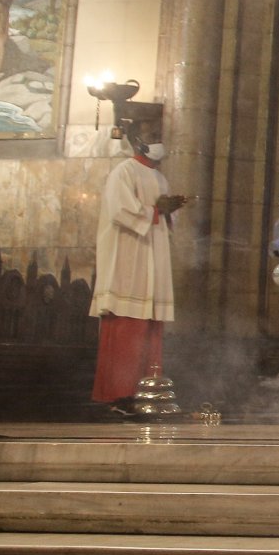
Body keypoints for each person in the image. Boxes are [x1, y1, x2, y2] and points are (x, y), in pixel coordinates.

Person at [90, 103, 186, 404]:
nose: (158, 140)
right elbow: (120, 211)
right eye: (151, 135)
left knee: (149, 331)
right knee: (125, 331)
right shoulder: (123, 172)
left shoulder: (160, 178)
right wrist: (156, 210)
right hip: (128, 264)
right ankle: (117, 397)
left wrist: (170, 210)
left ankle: (146, 394)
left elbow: (163, 221)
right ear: (136, 140)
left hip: (153, 263)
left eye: (159, 135)